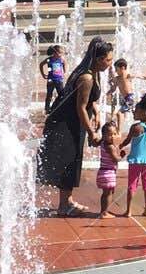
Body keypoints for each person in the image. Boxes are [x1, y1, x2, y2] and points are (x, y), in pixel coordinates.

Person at [36, 38, 114, 217]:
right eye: (108, 60)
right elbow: (80, 106)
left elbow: (88, 101)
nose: (109, 63)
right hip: (66, 123)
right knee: (68, 161)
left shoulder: (92, 73)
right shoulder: (86, 77)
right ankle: (63, 206)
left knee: (73, 160)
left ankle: (68, 200)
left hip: (72, 122)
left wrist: (96, 111)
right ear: (98, 59)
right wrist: (92, 132)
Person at [95, 121, 122, 218]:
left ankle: (103, 210)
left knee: (106, 193)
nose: (113, 136)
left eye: (115, 134)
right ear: (104, 136)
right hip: (108, 172)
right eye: (110, 134)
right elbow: (116, 159)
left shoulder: (102, 143)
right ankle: (104, 212)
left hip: (103, 171)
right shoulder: (110, 147)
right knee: (108, 193)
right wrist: (121, 156)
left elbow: (95, 142)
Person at [40, 44, 66, 114]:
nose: (61, 55)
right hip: (50, 80)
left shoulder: (62, 59)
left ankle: (56, 107)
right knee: (49, 95)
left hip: (59, 80)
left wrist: (64, 72)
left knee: (61, 95)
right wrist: (43, 74)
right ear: (55, 53)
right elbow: (41, 64)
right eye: (60, 53)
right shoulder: (49, 59)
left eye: (62, 53)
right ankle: (47, 109)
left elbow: (64, 64)